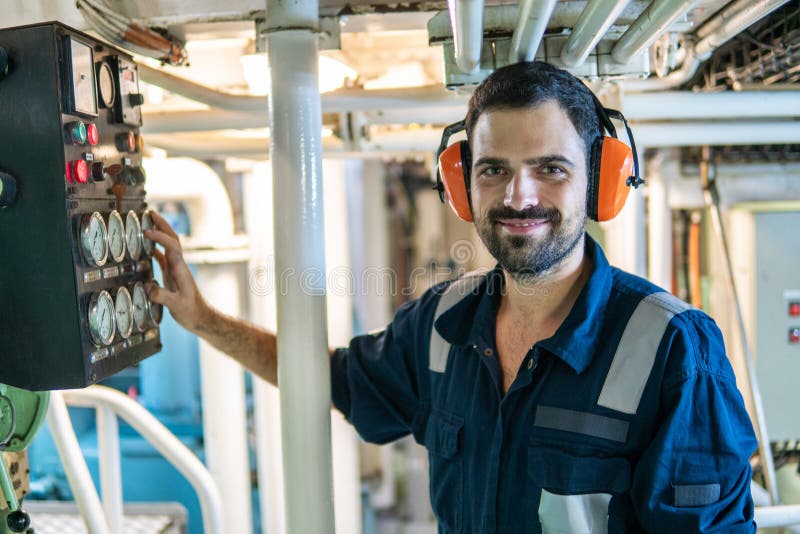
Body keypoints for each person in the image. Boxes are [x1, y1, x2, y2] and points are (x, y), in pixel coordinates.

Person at [144, 61, 758, 533]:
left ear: (600, 182)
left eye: (551, 169)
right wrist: (202, 319)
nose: (518, 196)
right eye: (494, 169)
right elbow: (329, 378)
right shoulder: (441, 323)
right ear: (463, 188)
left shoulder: (674, 351)